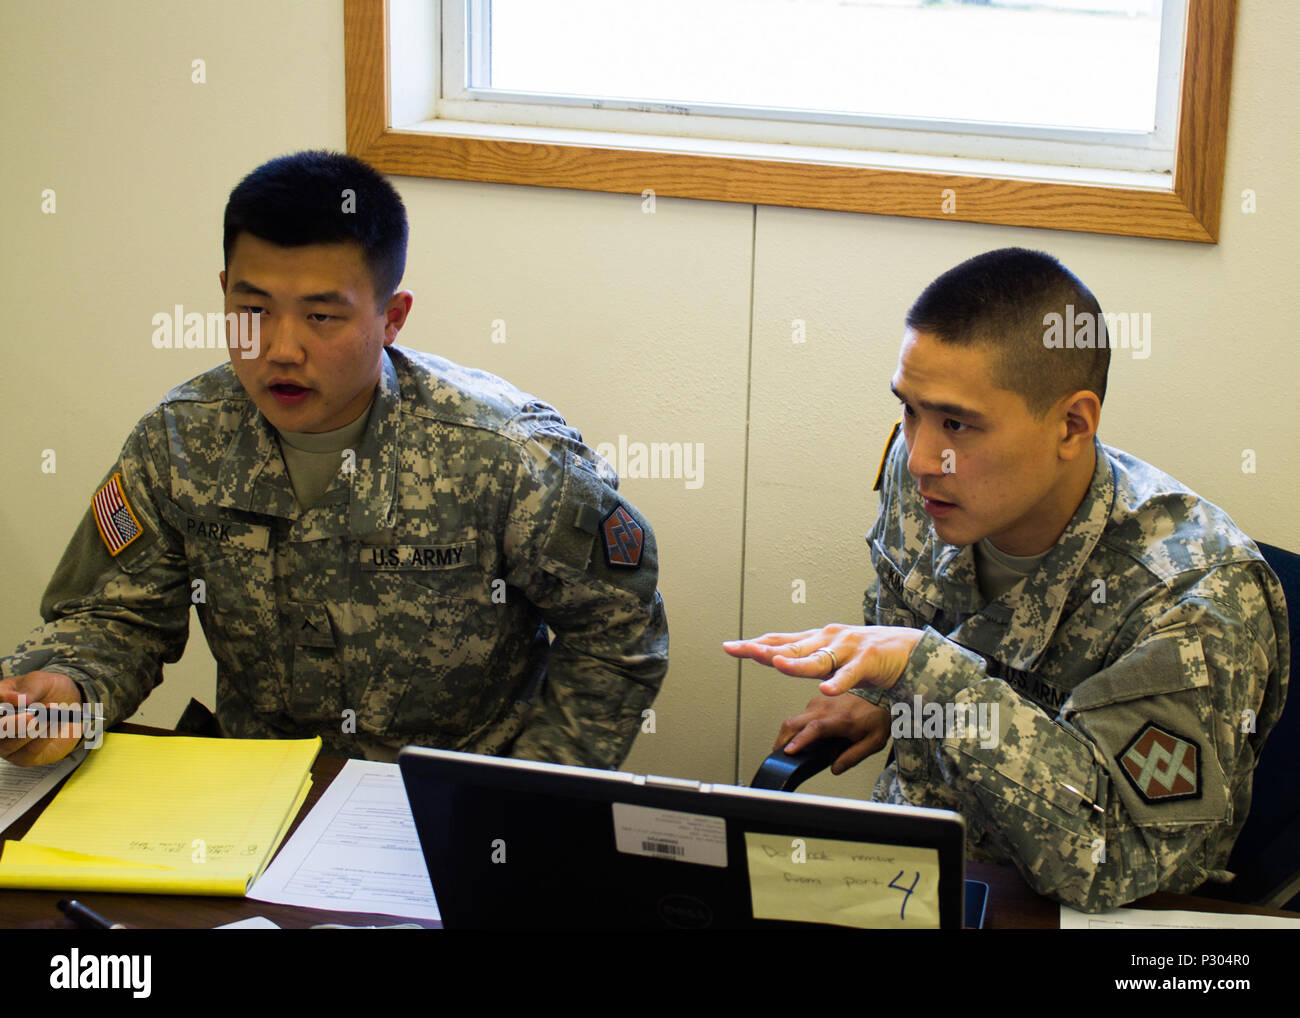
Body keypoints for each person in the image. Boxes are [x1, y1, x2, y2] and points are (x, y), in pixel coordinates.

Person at [0, 149, 668, 769]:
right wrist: (67, 687)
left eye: (322, 317)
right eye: (252, 309)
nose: (281, 348)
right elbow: (115, 615)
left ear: (392, 316)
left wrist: (528, 794)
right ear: (224, 291)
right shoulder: (179, 442)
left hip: (443, 808)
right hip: (247, 801)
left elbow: (616, 631)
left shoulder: (508, 457)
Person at [724, 248, 1288, 913]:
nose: (923, 456)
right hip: (920, 881)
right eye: (909, 411)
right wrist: (883, 696)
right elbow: (903, 620)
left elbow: (1118, 862)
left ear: (1072, 425)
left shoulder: (1194, 596)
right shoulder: (927, 479)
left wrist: (926, 674)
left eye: (956, 423)